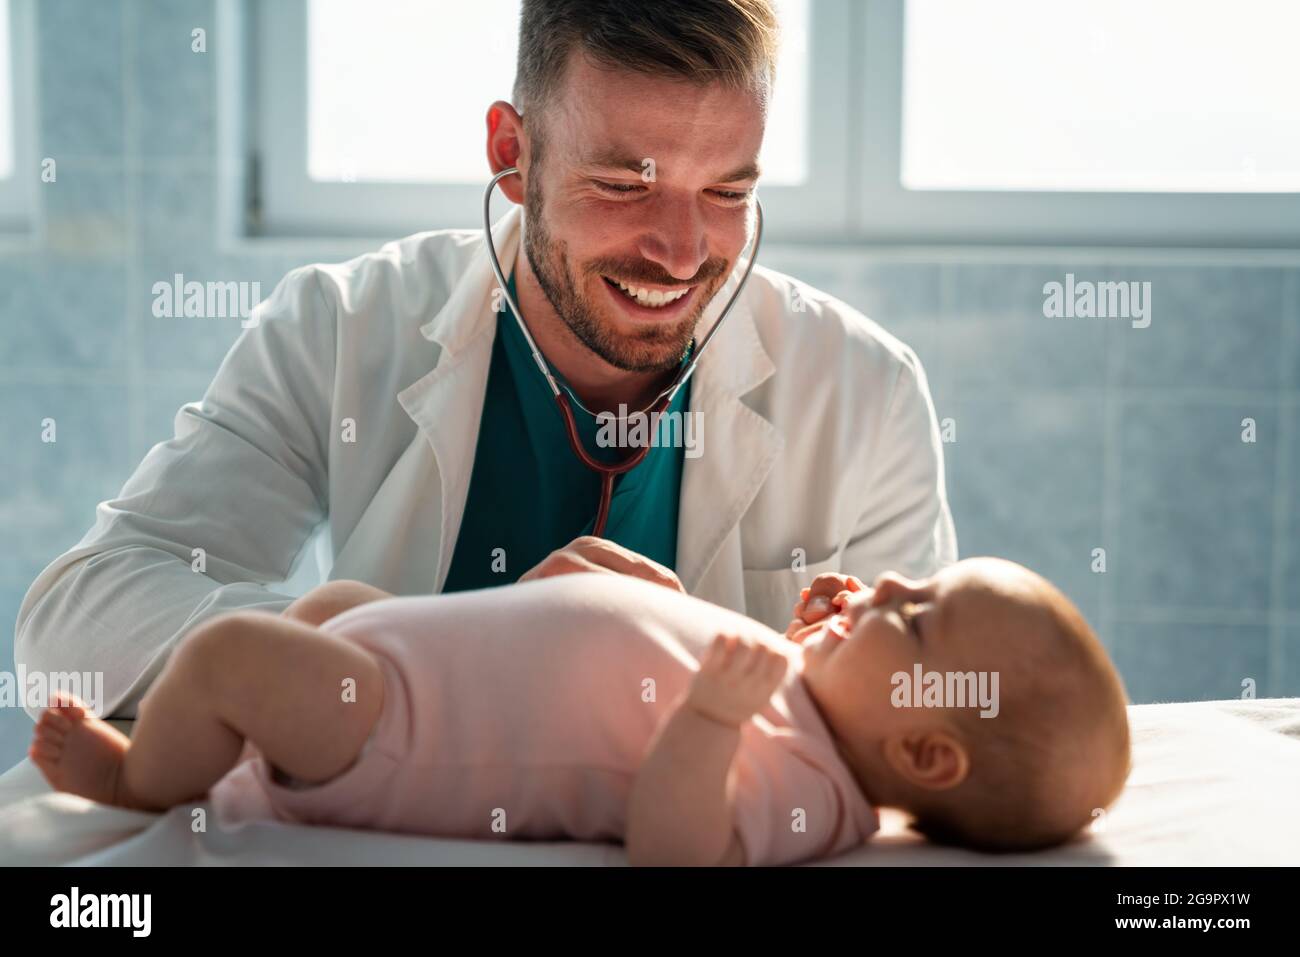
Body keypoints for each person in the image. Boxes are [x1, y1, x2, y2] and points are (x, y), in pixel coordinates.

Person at [15, 0, 954, 724]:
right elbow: (72, 632)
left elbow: (928, 726)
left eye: (726, 190)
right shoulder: (341, 327)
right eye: (626, 182)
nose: (680, 250)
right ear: (513, 154)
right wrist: (428, 649)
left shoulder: (865, 393)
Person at [29, 558, 1130, 866]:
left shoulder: (817, 801)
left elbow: (675, 849)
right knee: (331, 603)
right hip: (415, 656)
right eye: (914, 580)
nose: (887, 588)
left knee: (230, 656)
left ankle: (138, 777)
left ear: (928, 748)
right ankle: (236, 722)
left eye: (919, 620)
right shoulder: (810, 692)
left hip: (405, 736)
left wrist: (704, 716)